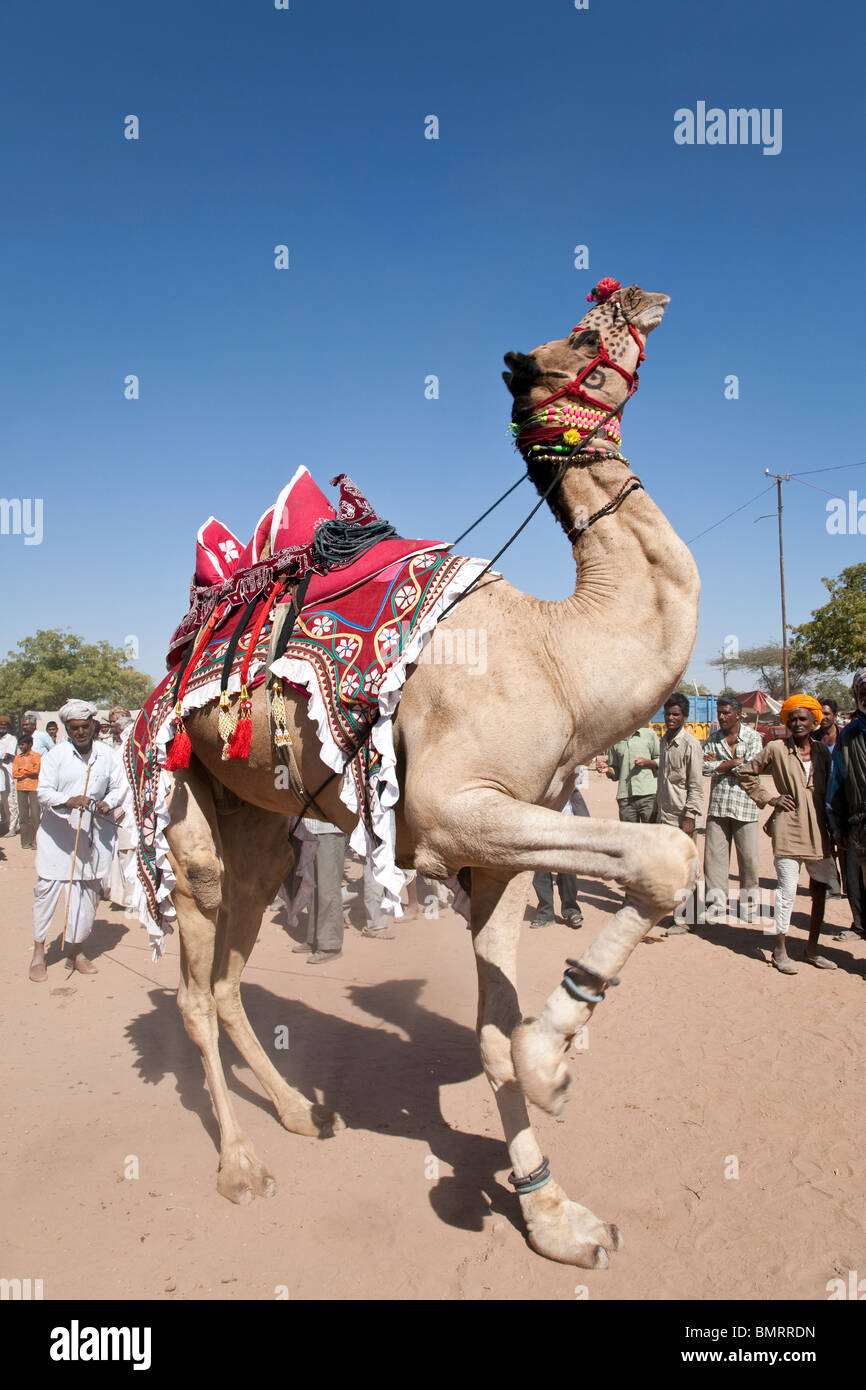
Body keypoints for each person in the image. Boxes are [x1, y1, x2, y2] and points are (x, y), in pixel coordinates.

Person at [737, 696, 836, 974]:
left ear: (815, 722)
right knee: (786, 892)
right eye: (792, 719)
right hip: (788, 828)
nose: (797, 723)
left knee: (819, 891)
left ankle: (812, 950)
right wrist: (770, 798)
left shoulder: (822, 753)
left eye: (803, 719)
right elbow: (746, 773)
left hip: (819, 831)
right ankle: (779, 950)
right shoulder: (777, 749)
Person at [29, 699, 125, 982]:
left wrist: (107, 803)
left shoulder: (108, 755)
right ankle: (38, 954)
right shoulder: (54, 756)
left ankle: (77, 952)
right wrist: (68, 800)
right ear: (67, 729)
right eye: (75, 728)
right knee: (46, 893)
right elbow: (44, 792)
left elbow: (119, 786)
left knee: (86, 898)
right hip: (57, 839)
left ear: (93, 726)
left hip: (93, 839)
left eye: (85, 727)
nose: (81, 732)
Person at [702, 695, 763, 924]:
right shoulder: (714, 738)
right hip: (718, 806)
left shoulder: (753, 737)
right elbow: (704, 768)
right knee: (714, 859)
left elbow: (752, 768)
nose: (722, 716)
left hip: (745, 805)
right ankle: (715, 904)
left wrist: (720, 765)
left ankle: (748, 906)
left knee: (748, 859)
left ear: (738, 714)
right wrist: (732, 763)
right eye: (720, 713)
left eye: (726, 713)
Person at [655, 694, 704, 935]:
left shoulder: (690, 744)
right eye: (668, 714)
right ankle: (678, 915)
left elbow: (695, 785)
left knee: (687, 869)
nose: (671, 718)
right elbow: (663, 781)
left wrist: (690, 817)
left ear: (684, 716)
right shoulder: (664, 742)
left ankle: (687, 919)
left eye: (676, 714)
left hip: (681, 816)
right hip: (665, 816)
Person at [827, 668, 866, 945]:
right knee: (855, 879)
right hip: (858, 822)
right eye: (863, 692)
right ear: (856, 695)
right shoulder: (849, 735)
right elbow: (836, 781)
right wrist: (837, 824)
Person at [531, 766, 588, 929]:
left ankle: (571, 911)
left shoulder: (572, 755)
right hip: (539, 820)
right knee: (540, 870)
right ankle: (545, 913)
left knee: (568, 870)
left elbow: (579, 778)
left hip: (565, 819)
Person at [291, 817, 348, 964]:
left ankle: (330, 945)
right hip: (308, 829)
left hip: (329, 828)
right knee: (311, 887)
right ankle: (313, 938)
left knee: (328, 888)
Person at [598, 728, 660, 822]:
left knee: (651, 834)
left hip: (648, 796)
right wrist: (608, 770)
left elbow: (661, 759)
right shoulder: (615, 740)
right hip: (625, 798)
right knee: (629, 835)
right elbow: (616, 770)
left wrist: (647, 762)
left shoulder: (649, 734)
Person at [13, 734, 41, 848]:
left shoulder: (36, 756)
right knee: (23, 815)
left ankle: (35, 841)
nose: (21, 747)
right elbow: (15, 773)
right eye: (20, 745)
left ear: (30, 744)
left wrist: (22, 771)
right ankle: (25, 842)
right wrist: (27, 771)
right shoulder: (17, 758)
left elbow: (36, 770)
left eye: (23, 744)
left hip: (33, 787)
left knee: (35, 814)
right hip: (21, 787)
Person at [0, 715, 17, 836]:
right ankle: (5, 825)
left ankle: (13, 827)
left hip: (8, 774)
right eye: (0, 725)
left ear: (8, 726)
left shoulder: (12, 739)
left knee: (10, 801)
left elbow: (7, 756)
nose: (2, 727)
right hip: (0, 775)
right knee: (2, 802)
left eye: (4, 725)